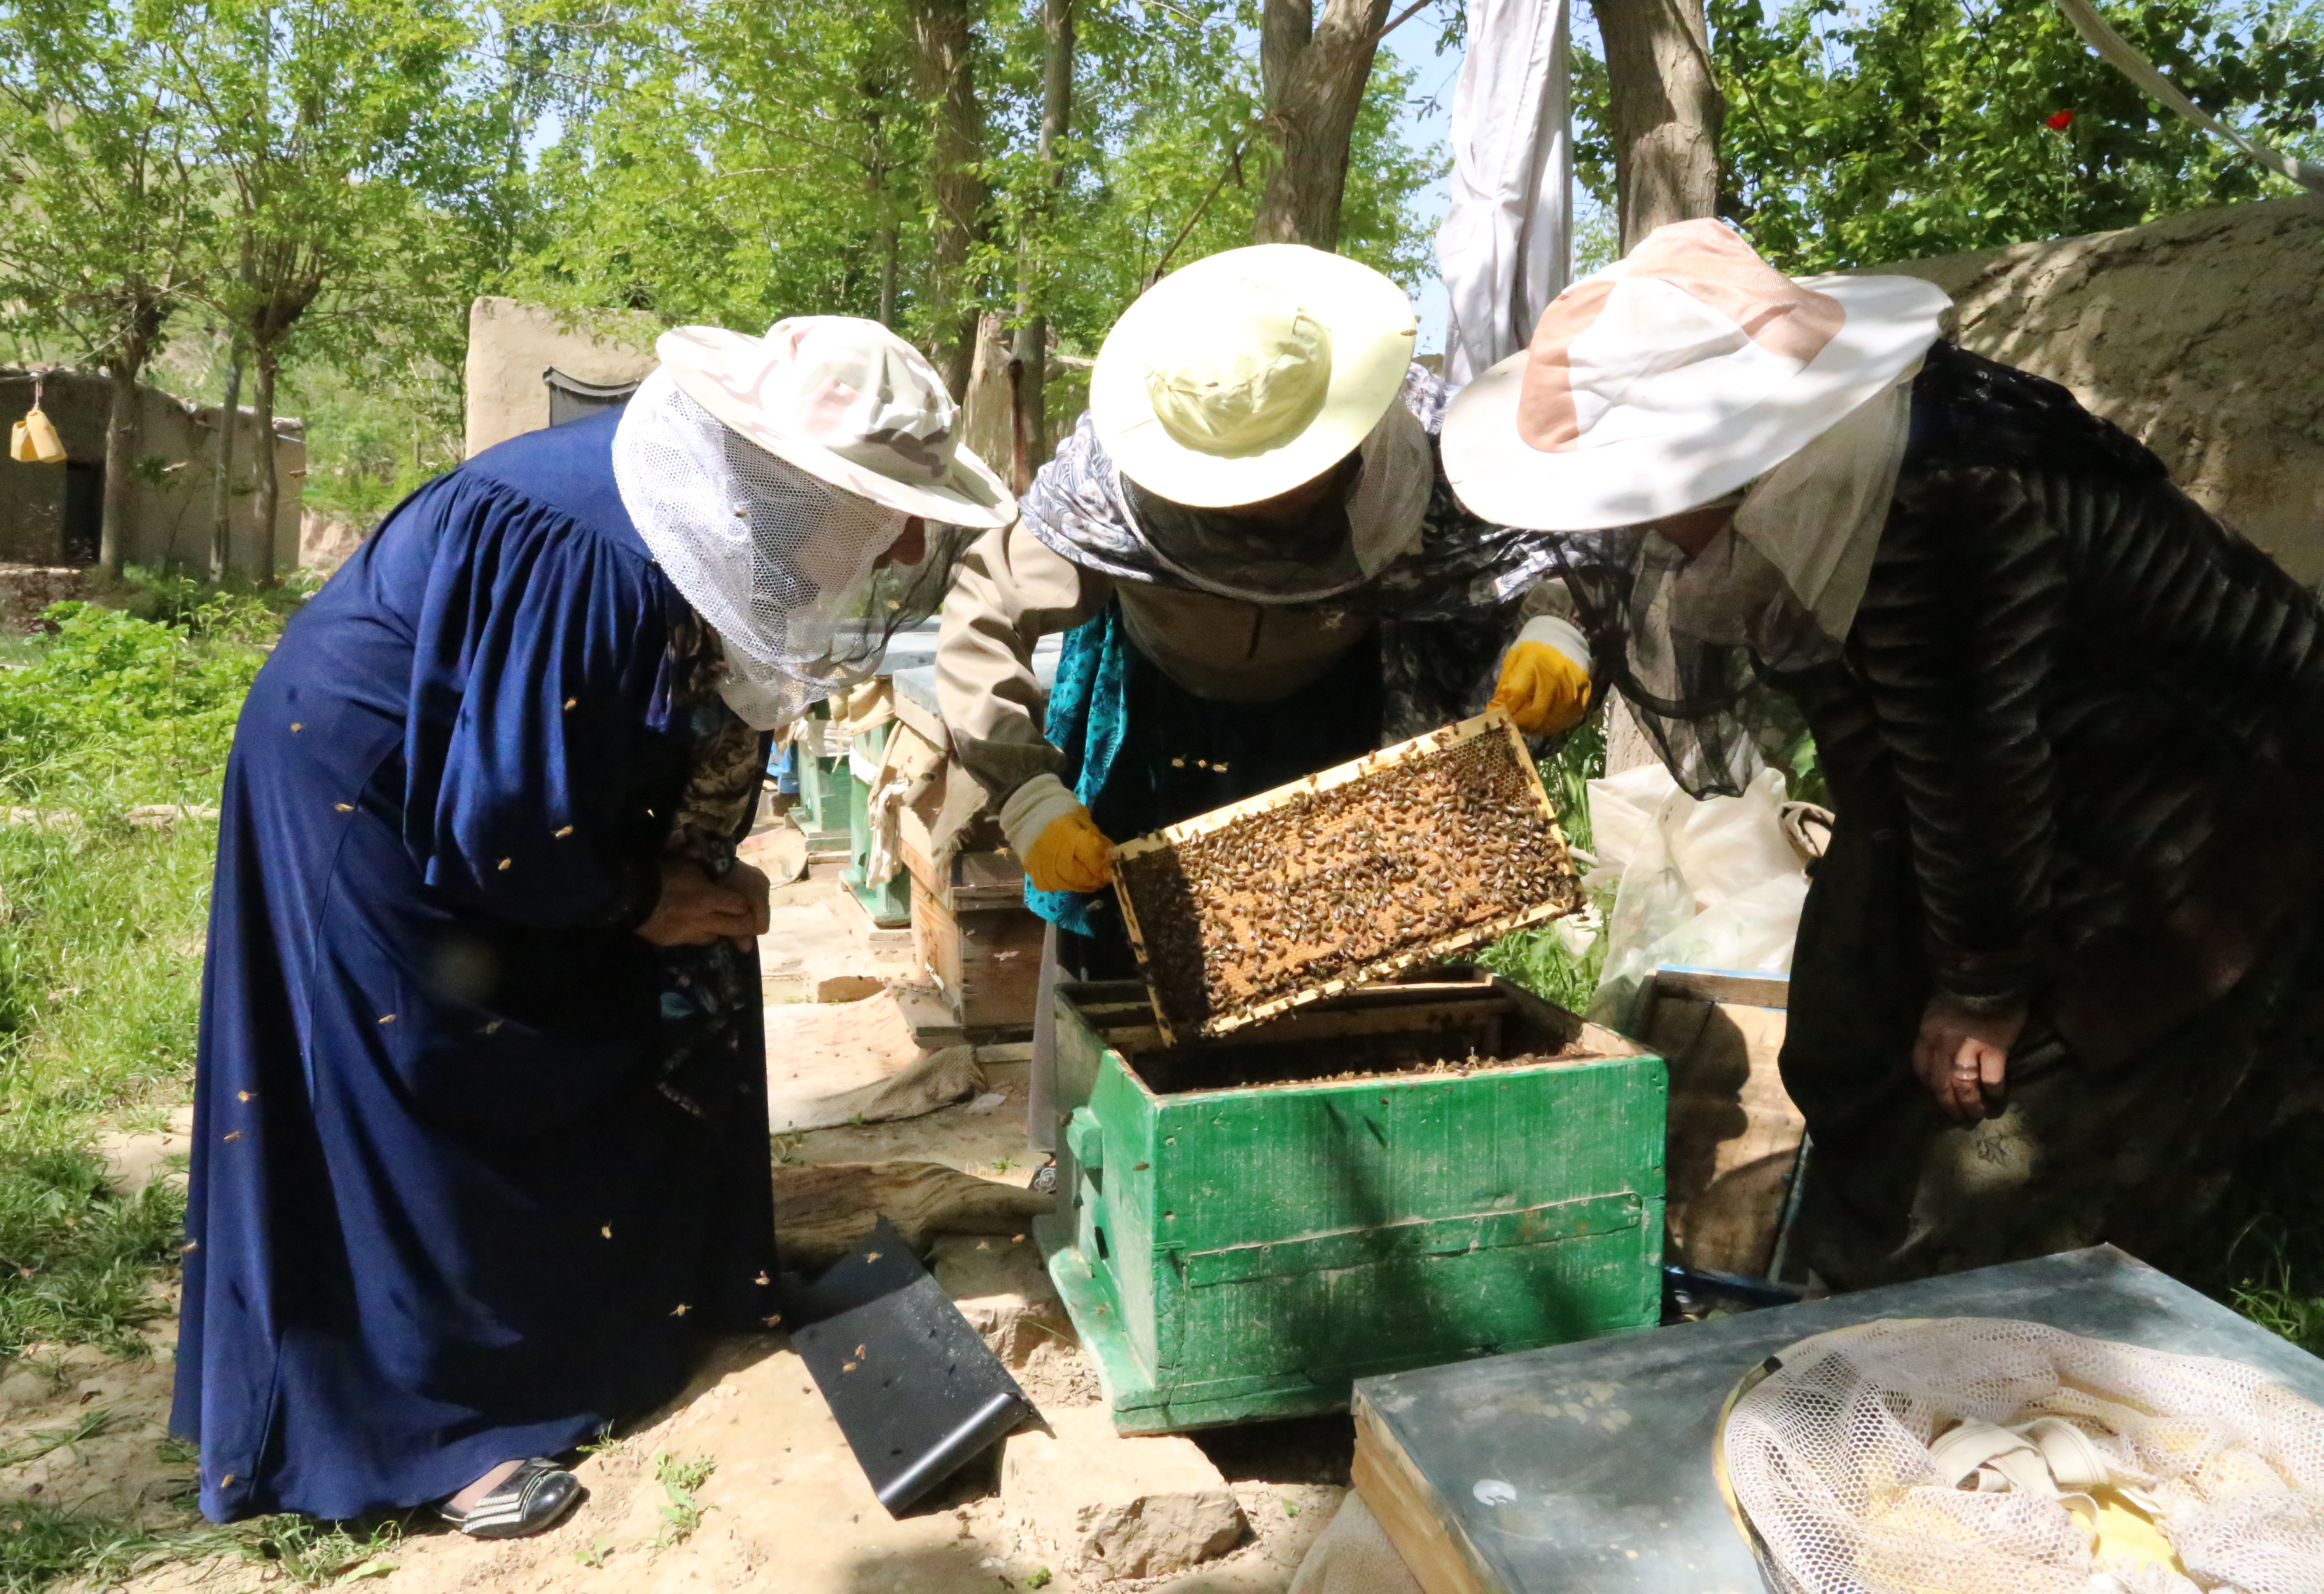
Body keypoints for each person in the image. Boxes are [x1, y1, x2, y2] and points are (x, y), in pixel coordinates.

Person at [172, 318, 1014, 1534]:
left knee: (674, 982)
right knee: (429, 1067)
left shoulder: (700, 527)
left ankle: (673, 1291)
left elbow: (632, 730)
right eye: (884, 507)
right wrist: (640, 896)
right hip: (374, 797)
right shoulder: (591, 550)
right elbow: (506, 825)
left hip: (490, 793)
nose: (908, 540)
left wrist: (684, 870)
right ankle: (433, 1433)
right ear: (790, 479)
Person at [1442, 217, 2324, 1287]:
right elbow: (1890, 751)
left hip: (2213, 811)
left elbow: (1978, 767)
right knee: (1843, 1035)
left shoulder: (1939, 511)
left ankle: (1998, 1314)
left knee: (2007, 1178)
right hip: (2015, 784)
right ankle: (1832, 1284)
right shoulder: (1828, 482)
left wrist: (1982, 991)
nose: (1637, 524)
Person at [935, 243, 1590, 1161]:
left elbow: (1549, 539)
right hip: (1158, 720)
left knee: (1358, 965)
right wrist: (1026, 790)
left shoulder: (1445, 445)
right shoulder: (1098, 485)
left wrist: (1553, 625)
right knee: (1124, 967)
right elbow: (980, 617)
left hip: (1346, 722)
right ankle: (1117, 1171)